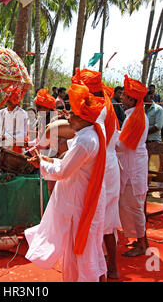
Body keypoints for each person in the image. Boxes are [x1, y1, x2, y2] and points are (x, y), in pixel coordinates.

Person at [25, 81, 107, 282]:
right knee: (85, 250)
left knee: (82, 253)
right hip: (82, 200)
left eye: (72, 114)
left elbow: (63, 171)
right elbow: (67, 161)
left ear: (83, 117)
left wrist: (41, 164)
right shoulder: (88, 133)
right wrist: (45, 160)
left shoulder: (86, 140)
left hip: (80, 204)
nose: (67, 117)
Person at [73, 68, 121, 279]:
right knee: (104, 221)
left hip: (102, 166)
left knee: (99, 221)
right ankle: (108, 268)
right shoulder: (106, 106)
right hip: (108, 163)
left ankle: (104, 270)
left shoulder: (97, 110)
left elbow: (85, 136)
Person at [117, 75, 149, 257]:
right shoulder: (134, 116)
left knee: (134, 205)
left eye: (124, 96)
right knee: (127, 204)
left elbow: (123, 144)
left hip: (133, 168)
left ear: (132, 99)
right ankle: (138, 239)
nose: (121, 98)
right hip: (131, 165)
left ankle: (142, 244)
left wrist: (105, 136)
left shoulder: (136, 118)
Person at [0, 87, 28, 154]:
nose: (8, 100)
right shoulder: (1, 112)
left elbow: (21, 136)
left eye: (12, 99)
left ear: (17, 101)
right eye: (7, 98)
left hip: (14, 150)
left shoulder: (22, 114)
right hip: (1, 147)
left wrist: (5, 137)